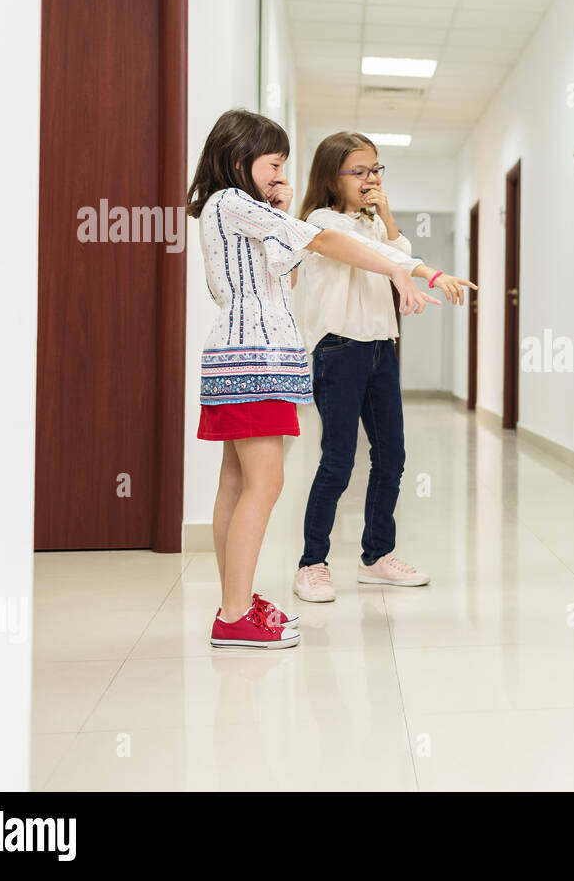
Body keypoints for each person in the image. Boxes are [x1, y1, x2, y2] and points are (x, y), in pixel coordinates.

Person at [187, 109, 439, 648]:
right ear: (239, 161)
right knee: (266, 481)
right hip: (252, 354)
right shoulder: (231, 202)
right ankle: (235, 615)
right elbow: (322, 241)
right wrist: (398, 268)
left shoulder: (237, 209)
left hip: (247, 353)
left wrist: (276, 207)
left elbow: (287, 265)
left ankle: (236, 600)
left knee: (236, 481)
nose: (281, 175)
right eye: (273, 164)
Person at [291, 131, 476, 603]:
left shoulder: (371, 223)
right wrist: (422, 271)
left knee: (392, 455)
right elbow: (384, 259)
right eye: (361, 171)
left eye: (376, 169)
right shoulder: (319, 221)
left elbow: (396, 248)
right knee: (337, 460)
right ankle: (312, 563)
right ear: (333, 176)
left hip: (380, 348)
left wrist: (387, 215)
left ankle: (376, 557)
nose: (371, 179)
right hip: (339, 348)